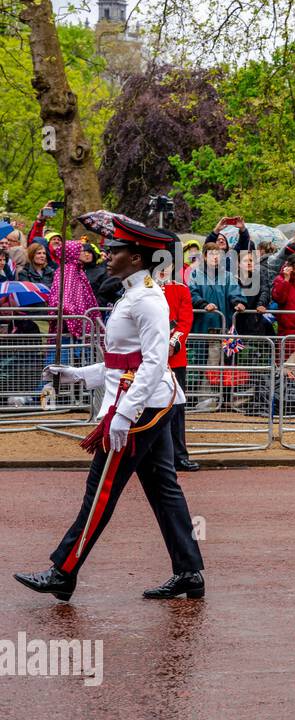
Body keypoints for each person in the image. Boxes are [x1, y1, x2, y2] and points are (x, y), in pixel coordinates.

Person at [15, 218, 204, 602]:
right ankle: (189, 571)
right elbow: (122, 362)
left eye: (116, 250)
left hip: (138, 410)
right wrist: (76, 375)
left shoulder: (147, 299)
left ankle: (63, 571)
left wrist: (122, 414)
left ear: (136, 258)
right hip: (143, 402)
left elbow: (153, 363)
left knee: (100, 491)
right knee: (164, 490)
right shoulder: (133, 294)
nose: (108, 255)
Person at [159, 254, 199, 473]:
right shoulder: (145, 290)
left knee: (176, 409)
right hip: (149, 357)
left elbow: (185, 321)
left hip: (175, 357)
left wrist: (173, 343)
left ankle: (178, 456)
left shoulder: (181, 289)